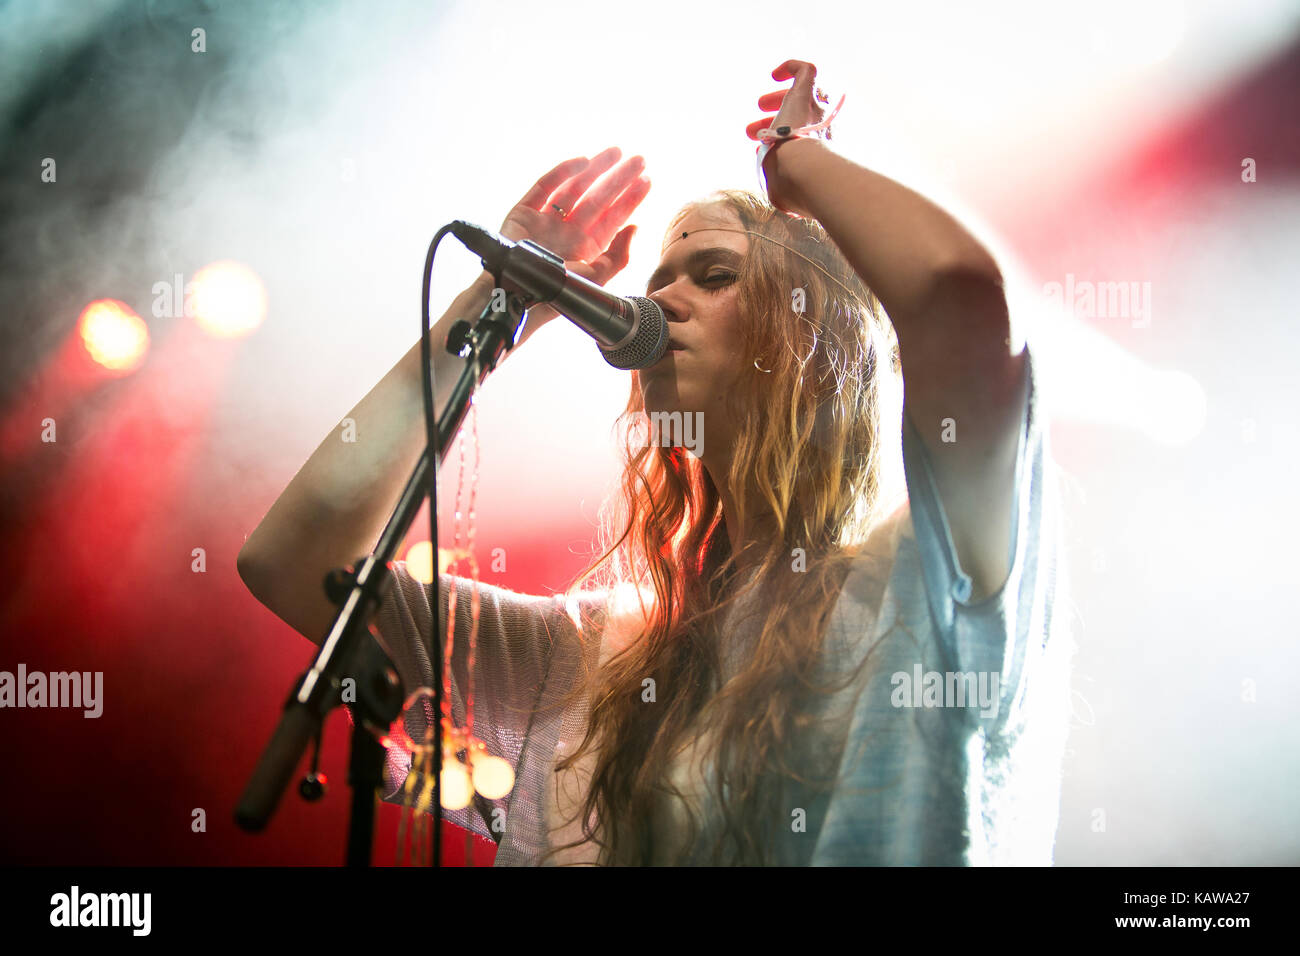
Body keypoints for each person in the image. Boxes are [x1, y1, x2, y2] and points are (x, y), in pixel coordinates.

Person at [237, 59, 1073, 866]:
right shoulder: (590, 657)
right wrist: (497, 303)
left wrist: (799, 163)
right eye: (659, 276)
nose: (656, 300)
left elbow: (961, 293)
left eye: (713, 275)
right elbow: (294, 562)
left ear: (823, 341)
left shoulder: (926, 578)